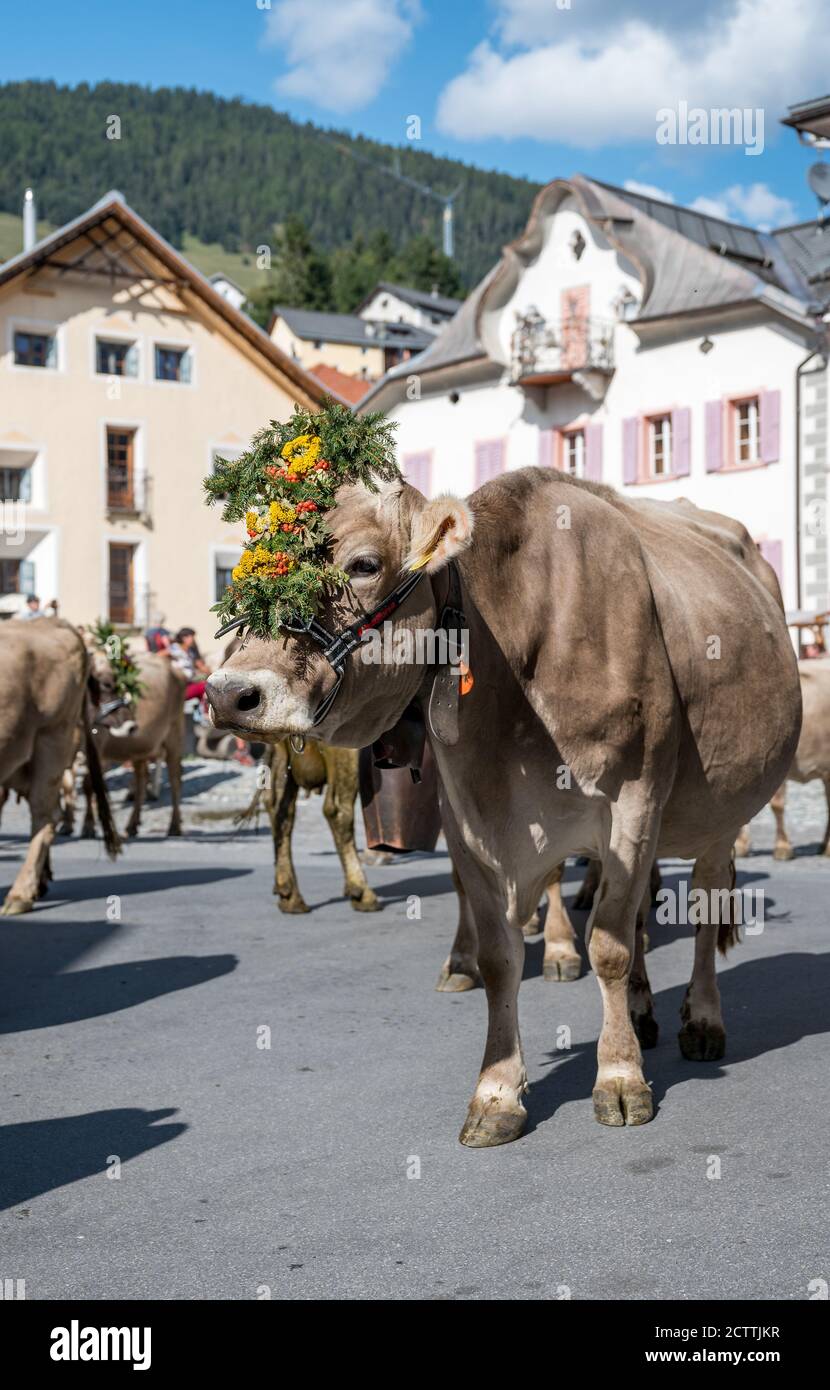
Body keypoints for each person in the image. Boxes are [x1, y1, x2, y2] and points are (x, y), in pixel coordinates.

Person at [169, 627, 209, 701]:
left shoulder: (190, 651)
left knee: (204, 685)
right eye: (192, 638)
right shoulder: (175, 648)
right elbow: (160, 655)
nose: (194, 640)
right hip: (179, 688)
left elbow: (200, 666)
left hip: (189, 683)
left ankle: (202, 710)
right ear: (184, 638)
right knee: (205, 686)